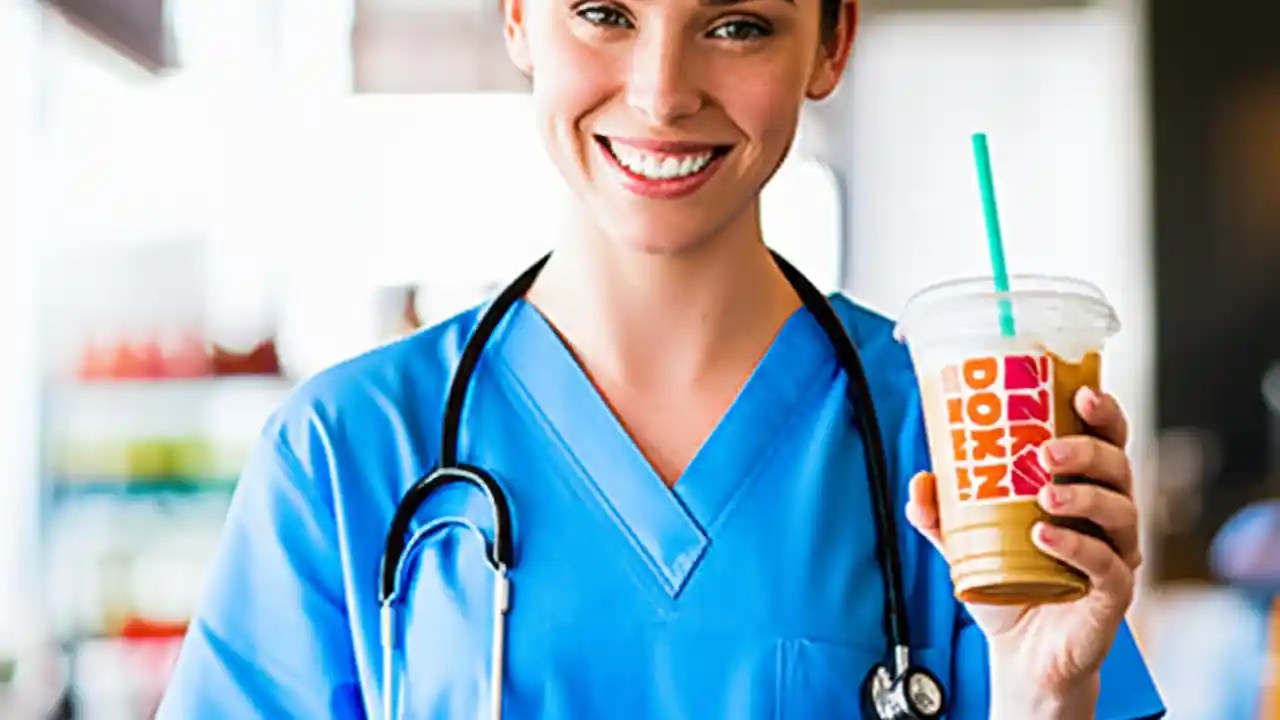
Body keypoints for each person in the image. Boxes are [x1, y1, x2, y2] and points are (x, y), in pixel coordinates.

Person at [157, 0, 1166, 716]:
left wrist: (1045, 696)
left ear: (831, 41)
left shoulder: (956, 439)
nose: (661, 92)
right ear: (517, 16)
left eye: (736, 26)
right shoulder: (346, 453)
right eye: (603, 12)